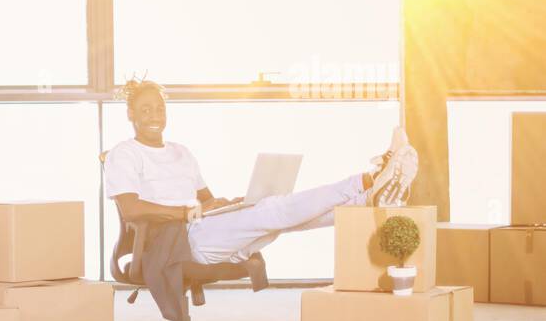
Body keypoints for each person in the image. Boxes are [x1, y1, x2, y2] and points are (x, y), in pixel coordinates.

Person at [103, 79, 419, 286]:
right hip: (174, 242)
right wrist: (184, 214)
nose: (155, 115)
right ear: (130, 113)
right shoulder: (124, 154)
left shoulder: (181, 153)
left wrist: (229, 204)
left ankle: (369, 198)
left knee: (284, 218)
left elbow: (206, 199)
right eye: (145, 110)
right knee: (274, 212)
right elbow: (131, 210)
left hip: (204, 228)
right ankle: (369, 179)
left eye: (160, 108)